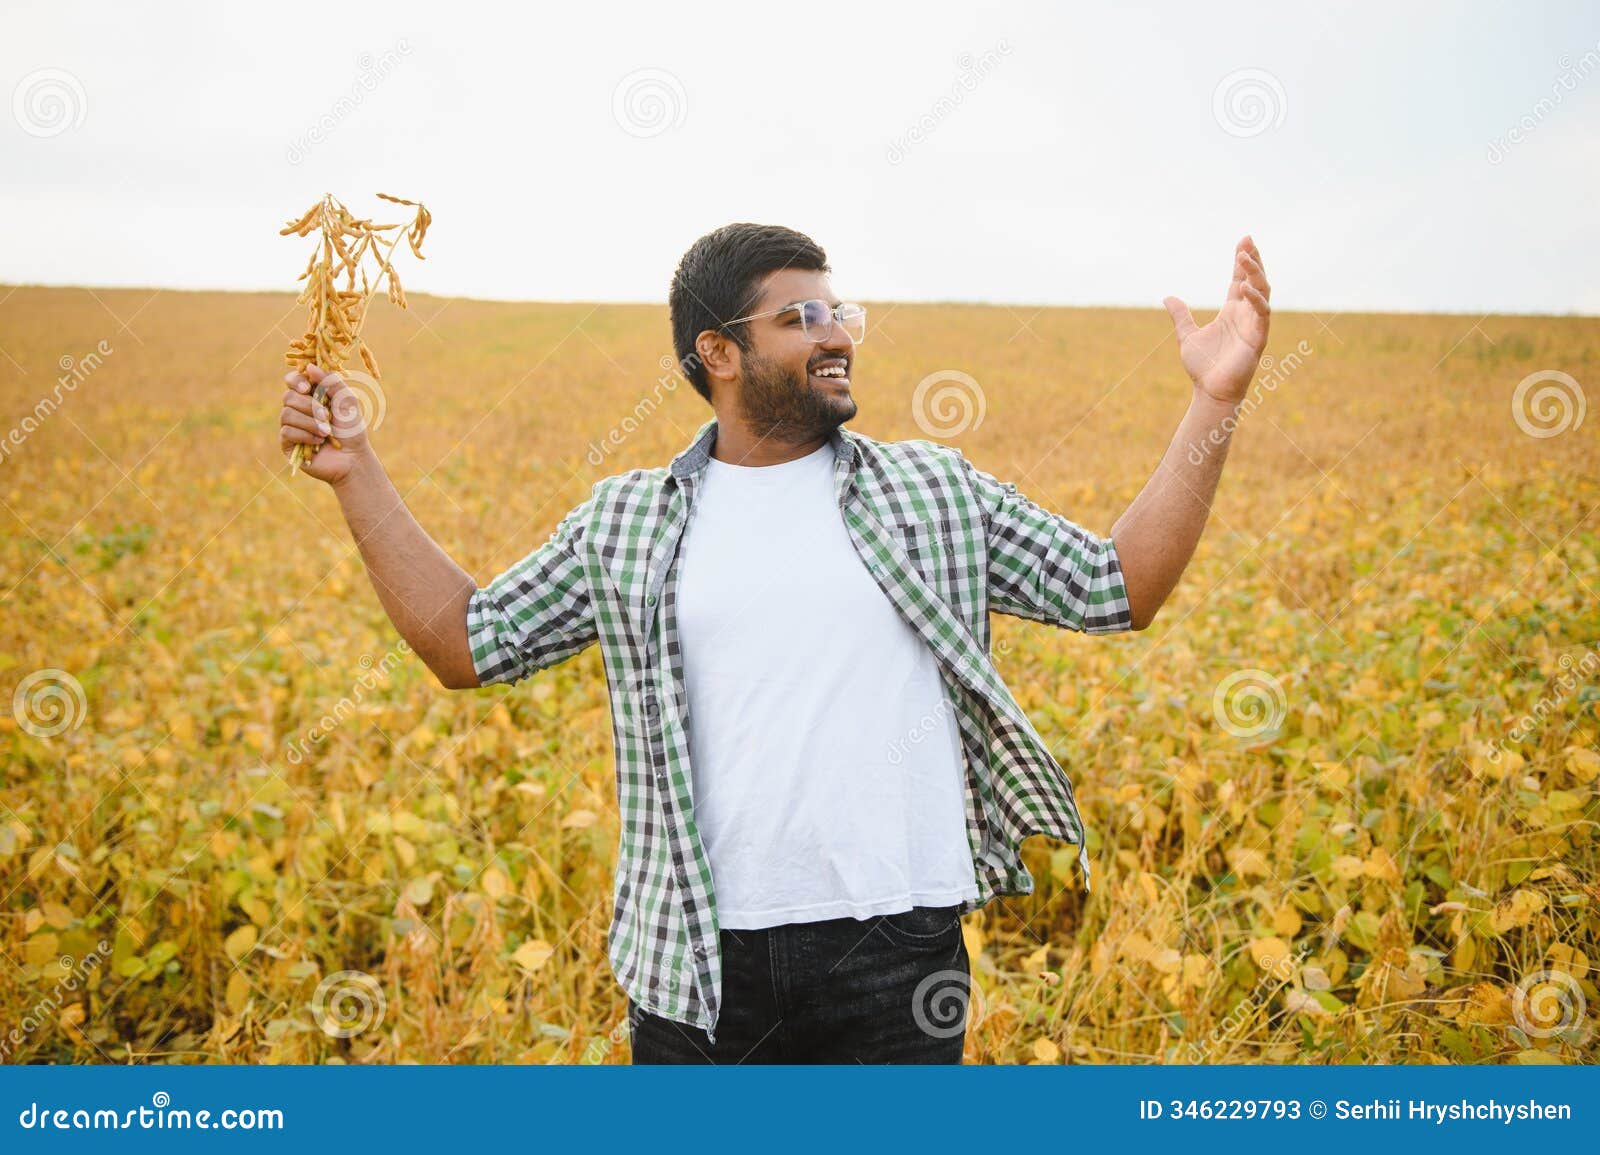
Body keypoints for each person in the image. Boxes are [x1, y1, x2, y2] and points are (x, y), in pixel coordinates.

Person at [275, 222, 1271, 1063]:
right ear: (717, 351)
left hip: (898, 954)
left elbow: (1117, 586)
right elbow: (466, 642)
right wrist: (355, 471)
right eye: (801, 319)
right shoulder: (627, 520)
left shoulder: (933, 491)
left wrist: (1214, 398)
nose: (835, 335)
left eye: (841, 313)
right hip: (695, 967)